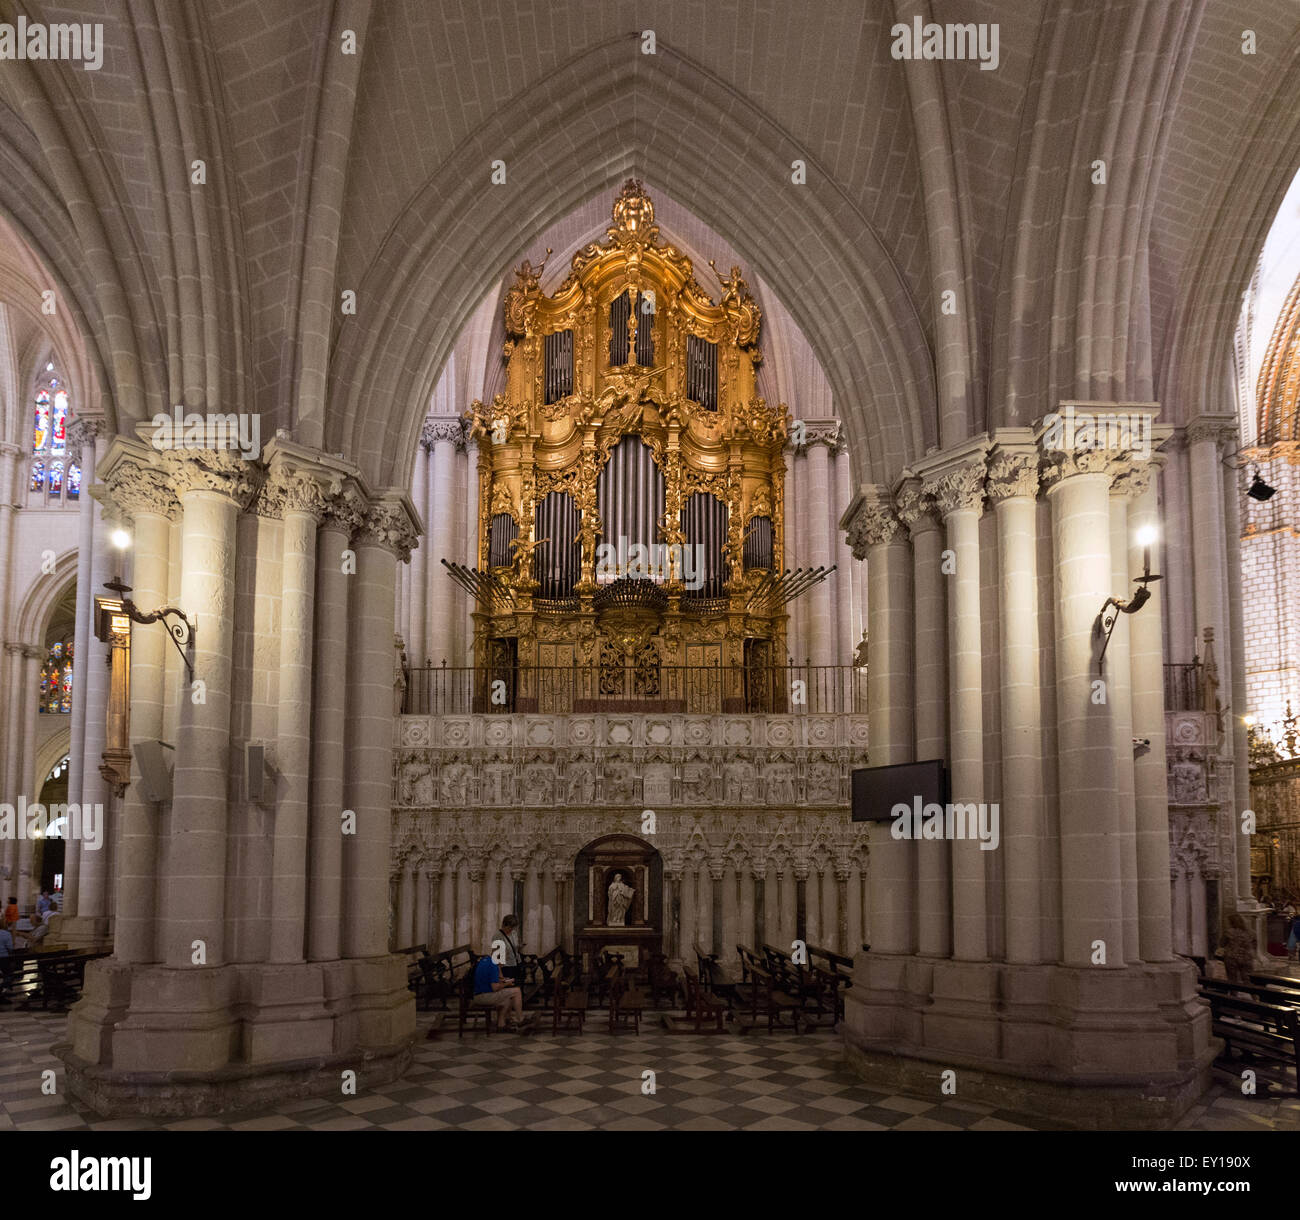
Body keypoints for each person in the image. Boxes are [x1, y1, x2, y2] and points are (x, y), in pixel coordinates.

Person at [471, 950, 527, 1031]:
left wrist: (505, 980)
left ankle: (502, 1024)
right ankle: (520, 1019)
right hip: (484, 997)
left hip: (478, 995)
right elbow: (495, 988)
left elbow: (492, 980)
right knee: (517, 991)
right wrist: (507, 984)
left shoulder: (486, 960)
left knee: (508, 997)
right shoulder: (493, 965)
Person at [1222, 913, 1256, 984]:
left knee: (1232, 979)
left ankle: (1233, 994)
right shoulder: (1251, 932)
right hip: (1247, 957)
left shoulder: (1229, 932)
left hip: (1231, 957)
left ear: (1231, 922)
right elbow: (1254, 945)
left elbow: (1222, 943)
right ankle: (1254, 994)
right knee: (1248, 979)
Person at [495, 914, 524, 986]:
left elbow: (515, 945)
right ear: (504, 925)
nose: (512, 929)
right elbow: (496, 956)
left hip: (516, 962)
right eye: (510, 927)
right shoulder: (498, 936)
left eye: (513, 927)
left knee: (517, 985)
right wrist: (500, 973)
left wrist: (519, 947)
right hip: (506, 966)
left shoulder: (513, 933)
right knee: (510, 987)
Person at [0, 919, 13, 1002]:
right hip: (3, 958)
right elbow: (10, 948)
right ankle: (3, 990)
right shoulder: (6, 934)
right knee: (8, 974)